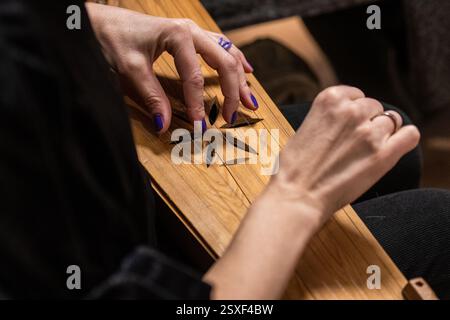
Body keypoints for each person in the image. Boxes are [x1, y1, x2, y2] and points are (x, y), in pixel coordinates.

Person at [0, 0, 449, 299]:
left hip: (108, 205)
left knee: (394, 139)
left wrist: (89, 23)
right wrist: (296, 196)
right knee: (440, 222)